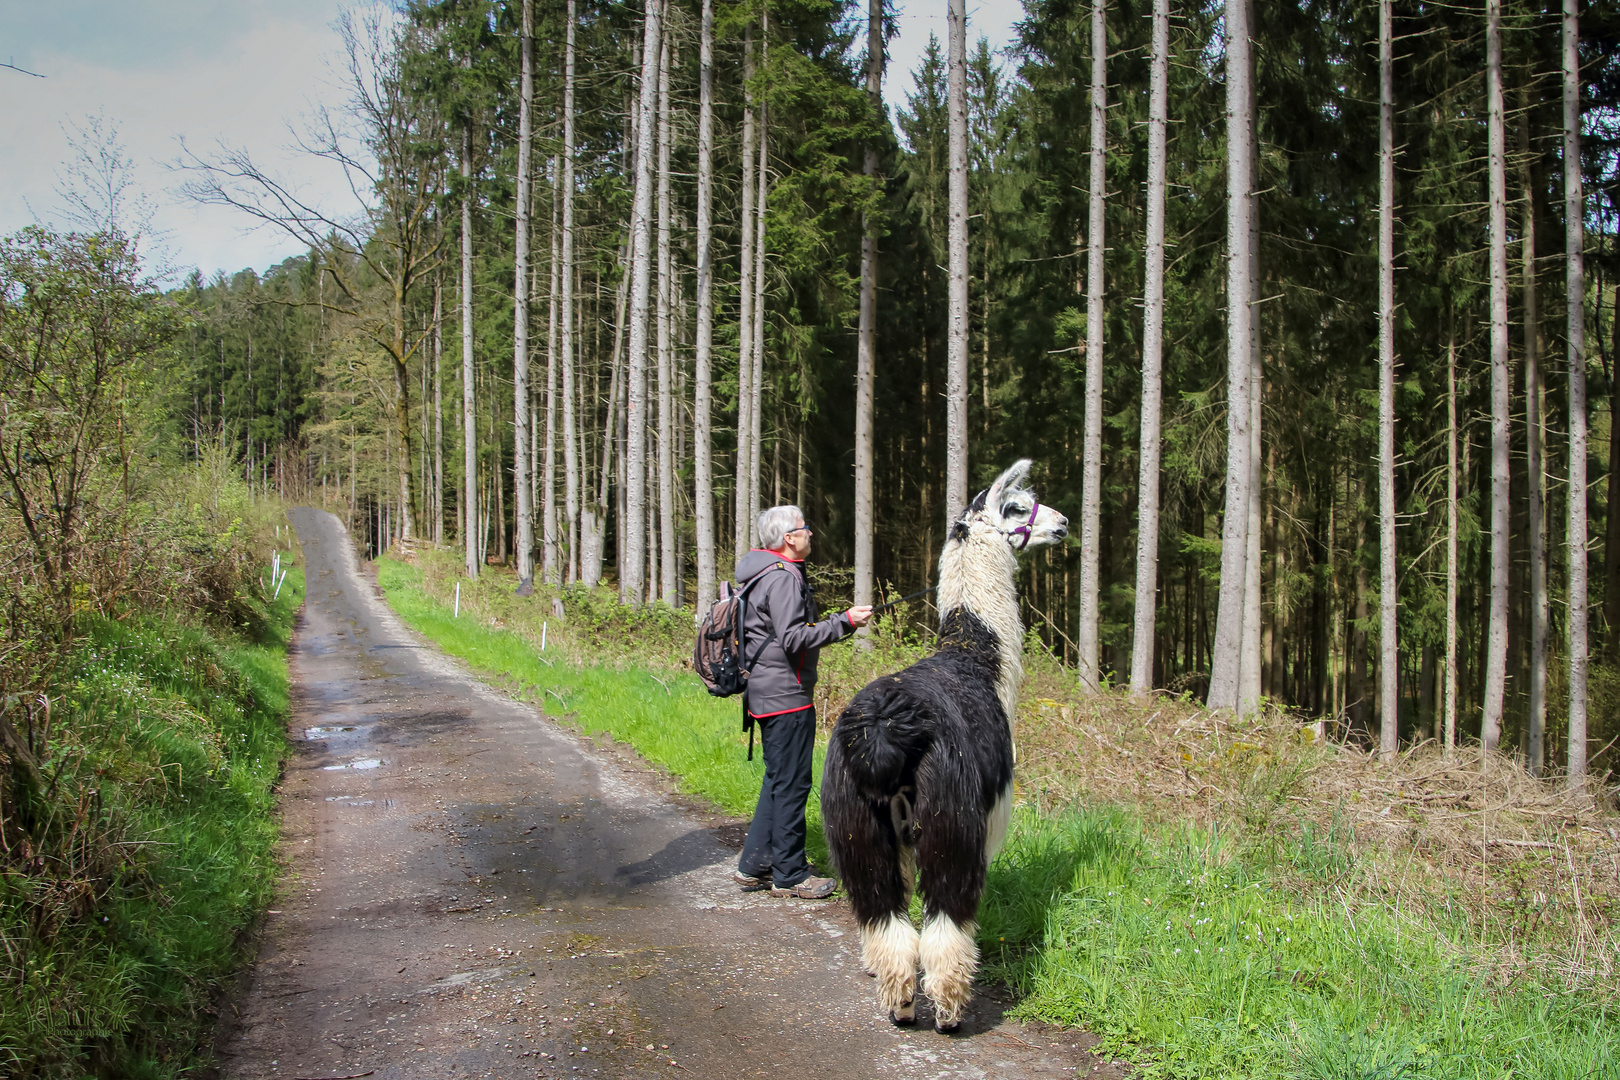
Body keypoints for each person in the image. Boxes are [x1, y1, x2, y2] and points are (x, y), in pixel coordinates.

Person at [733, 505, 873, 899]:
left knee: (778, 781)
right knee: (792, 784)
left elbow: (787, 631)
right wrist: (844, 621)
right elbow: (794, 638)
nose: (811, 533)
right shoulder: (782, 578)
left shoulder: (763, 573)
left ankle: (754, 865)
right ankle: (790, 875)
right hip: (786, 696)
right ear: (789, 539)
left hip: (768, 692)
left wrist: (838, 621)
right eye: (804, 529)